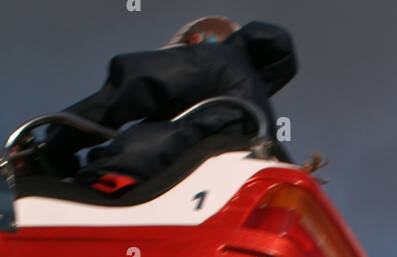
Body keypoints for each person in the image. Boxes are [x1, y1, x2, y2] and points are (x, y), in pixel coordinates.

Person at [41, 16, 297, 193]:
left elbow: (132, 86)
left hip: (138, 183)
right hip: (205, 208)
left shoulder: (208, 58)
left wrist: (55, 144)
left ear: (194, 41)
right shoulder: (258, 114)